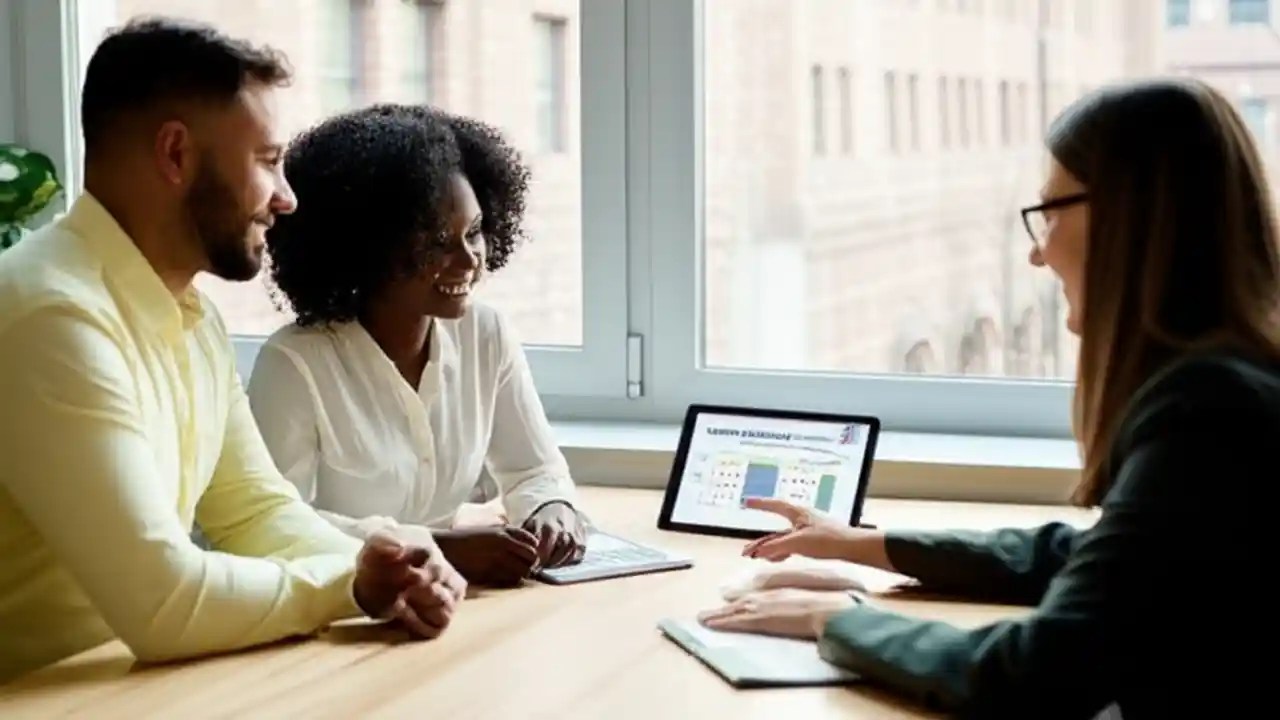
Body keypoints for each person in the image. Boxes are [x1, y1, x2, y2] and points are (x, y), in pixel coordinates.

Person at [696, 76, 1277, 719]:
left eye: (1050, 214)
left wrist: (839, 622)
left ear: (1132, 218)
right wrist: (864, 544)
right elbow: (1084, 555)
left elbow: (1036, 671)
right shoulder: (1232, 383)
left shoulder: (1209, 413)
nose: (1036, 253)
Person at [0, 17, 466, 683]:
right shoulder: (51, 315)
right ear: (175, 154)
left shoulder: (192, 316)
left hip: (125, 688)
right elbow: (160, 601)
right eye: (268, 161)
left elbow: (254, 510)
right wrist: (351, 588)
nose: (287, 198)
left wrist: (390, 568)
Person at [245, 104, 588, 588]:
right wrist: (433, 549)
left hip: (445, 605)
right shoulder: (295, 364)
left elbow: (534, 469)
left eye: (473, 233)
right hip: (339, 616)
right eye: (436, 244)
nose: (468, 259)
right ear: (369, 249)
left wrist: (552, 511)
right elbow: (274, 527)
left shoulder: (485, 334)